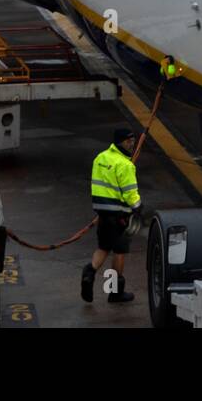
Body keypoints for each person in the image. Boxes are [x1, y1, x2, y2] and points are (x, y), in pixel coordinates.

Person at [82, 127, 141, 304]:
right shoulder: (125, 165)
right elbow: (131, 194)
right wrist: (138, 207)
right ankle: (115, 292)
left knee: (103, 248)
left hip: (102, 214)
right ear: (120, 142)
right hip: (119, 217)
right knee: (119, 252)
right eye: (128, 141)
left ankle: (89, 273)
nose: (132, 144)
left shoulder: (100, 158)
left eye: (133, 141)